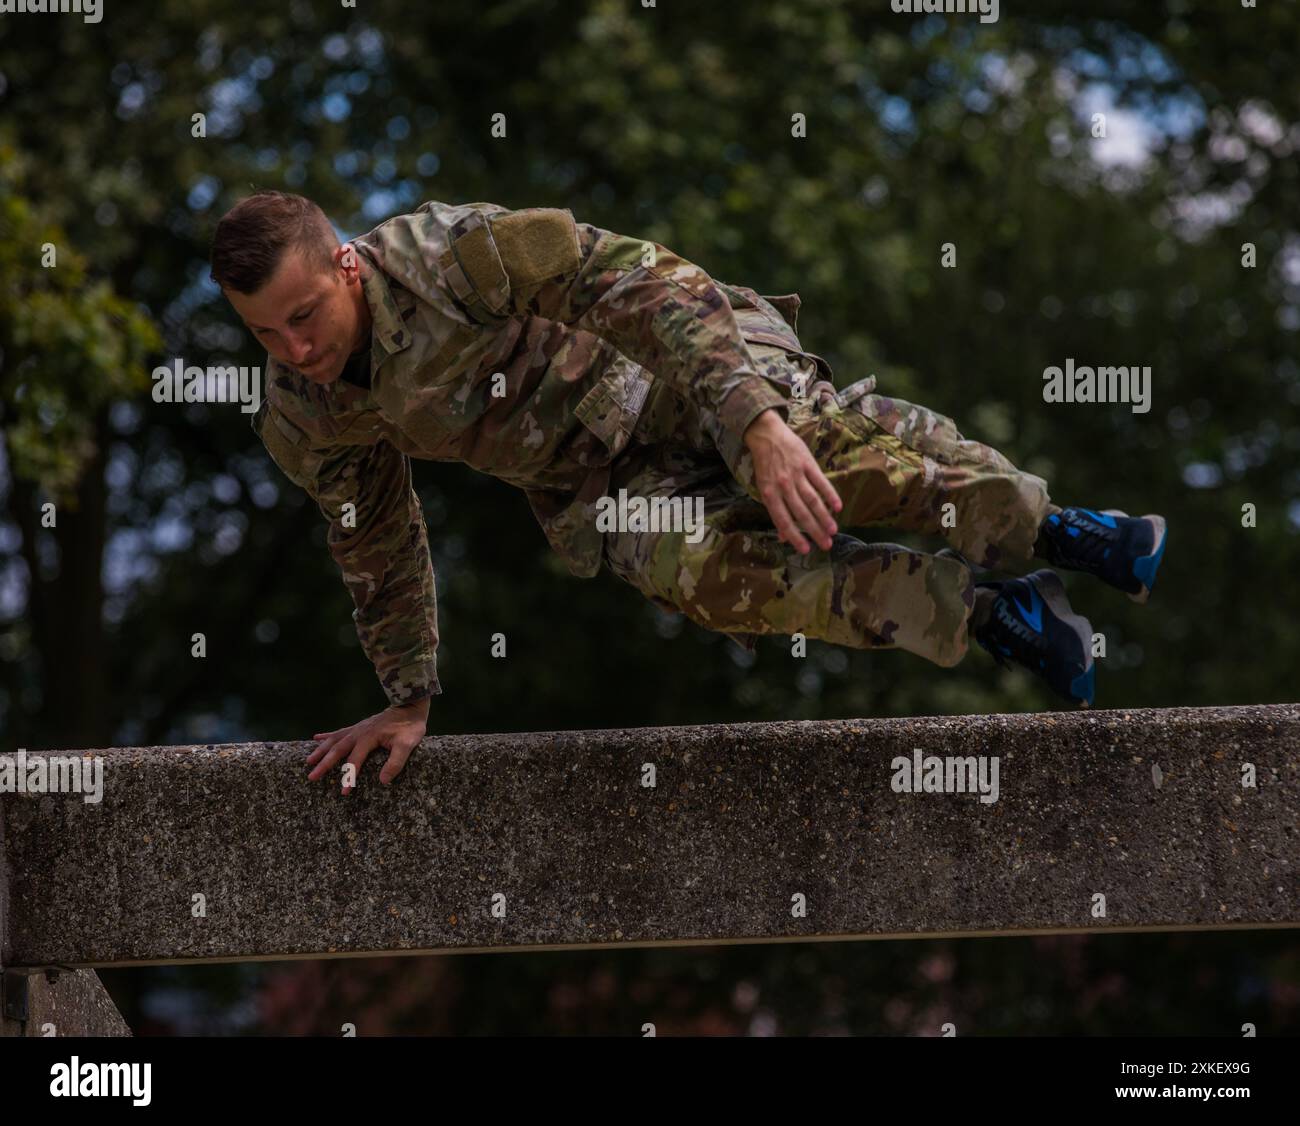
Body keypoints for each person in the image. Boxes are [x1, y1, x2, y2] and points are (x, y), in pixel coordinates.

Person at [209, 191, 1167, 792]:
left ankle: (1056, 531)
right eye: (266, 336)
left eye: (305, 316)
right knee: (715, 579)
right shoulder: (304, 413)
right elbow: (373, 538)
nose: (297, 350)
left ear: (343, 267)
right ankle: (995, 615)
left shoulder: (450, 257)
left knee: (830, 464)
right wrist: (408, 697)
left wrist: (752, 418)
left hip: (677, 374)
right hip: (605, 485)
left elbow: (641, 281)